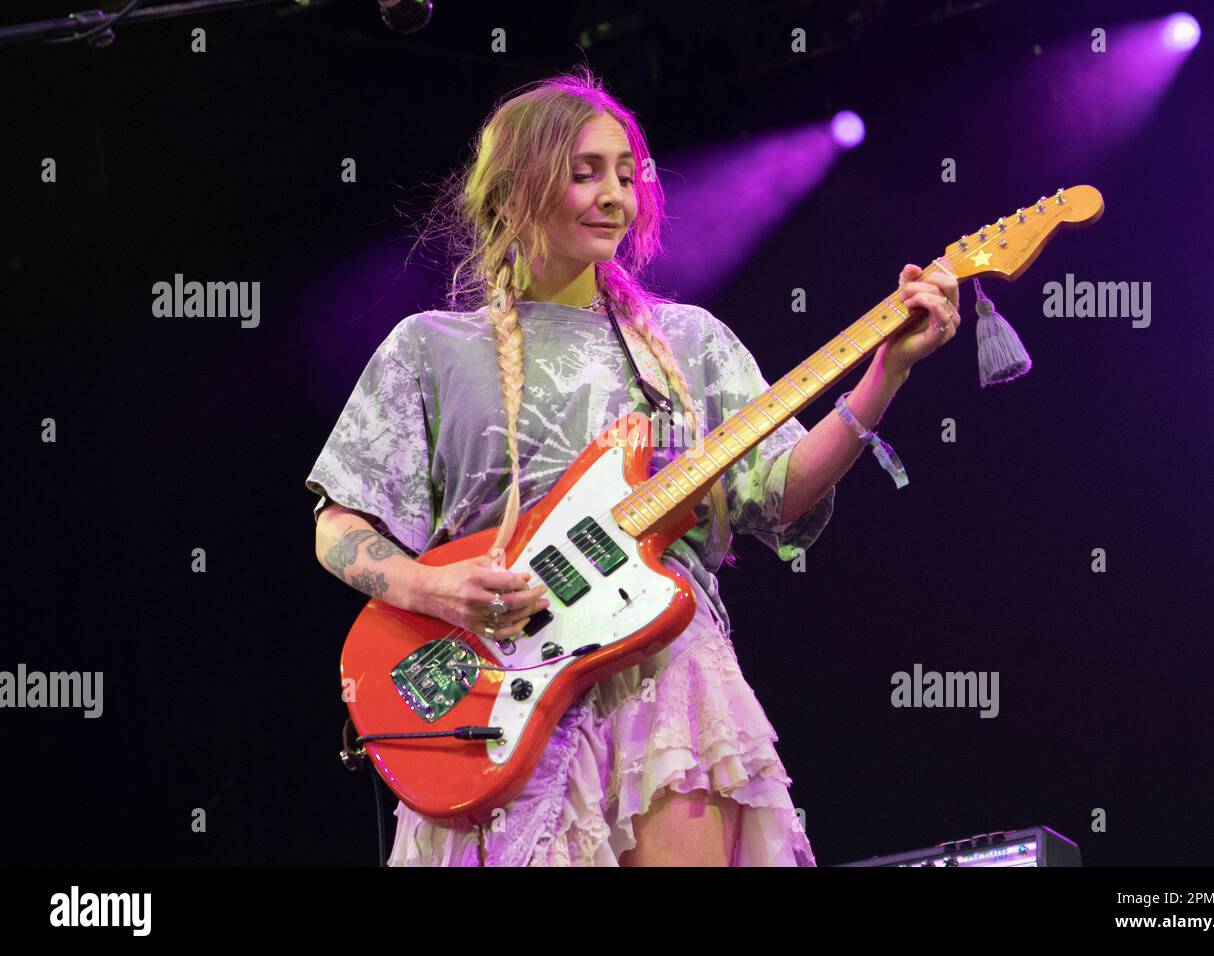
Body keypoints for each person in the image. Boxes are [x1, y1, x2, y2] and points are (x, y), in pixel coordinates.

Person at [305, 67, 961, 866]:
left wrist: (885, 372)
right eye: (584, 174)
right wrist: (430, 587)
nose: (615, 194)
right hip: (492, 698)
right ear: (513, 190)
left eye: (626, 173)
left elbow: (780, 493)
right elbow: (340, 524)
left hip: (665, 681)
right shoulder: (429, 349)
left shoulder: (691, 342)